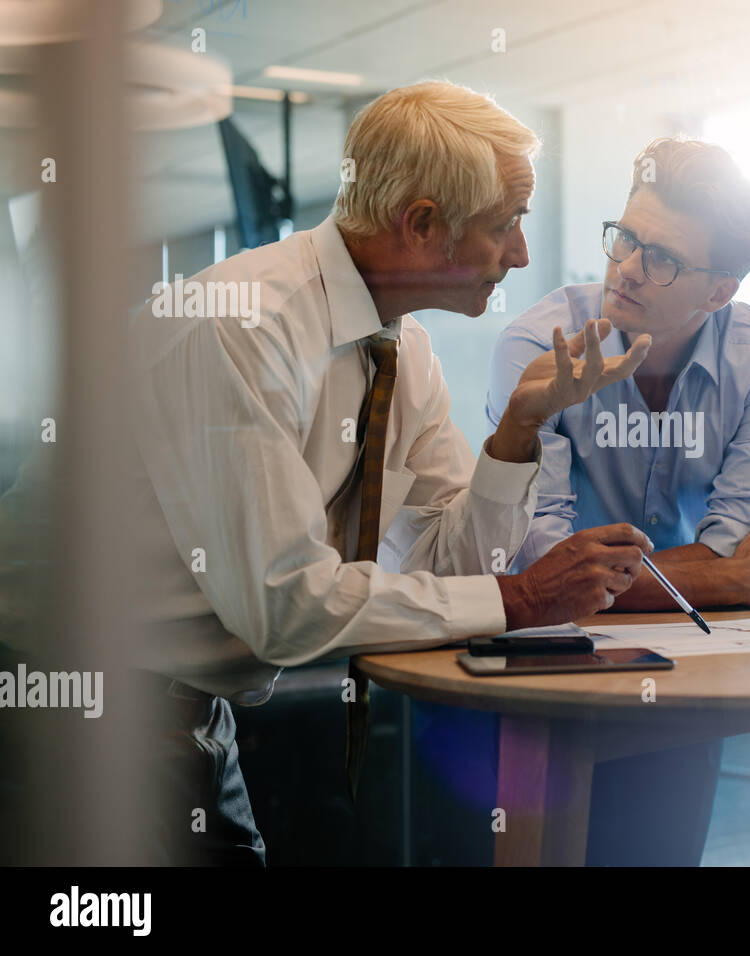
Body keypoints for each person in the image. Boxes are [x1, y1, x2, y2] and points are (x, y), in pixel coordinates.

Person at [123, 80, 655, 864]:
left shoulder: (402, 353)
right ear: (423, 225)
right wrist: (527, 597)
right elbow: (287, 606)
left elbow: (455, 570)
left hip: (197, 717)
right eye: (507, 223)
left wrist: (517, 429)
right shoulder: (239, 326)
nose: (522, 253)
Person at [415, 137, 750, 867]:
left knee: (661, 854)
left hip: (692, 667)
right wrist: (718, 580)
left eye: (662, 259)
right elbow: (537, 566)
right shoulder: (536, 345)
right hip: (549, 667)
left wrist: (712, 577)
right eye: (626, 237)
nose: (626, 267)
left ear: (720, 290)